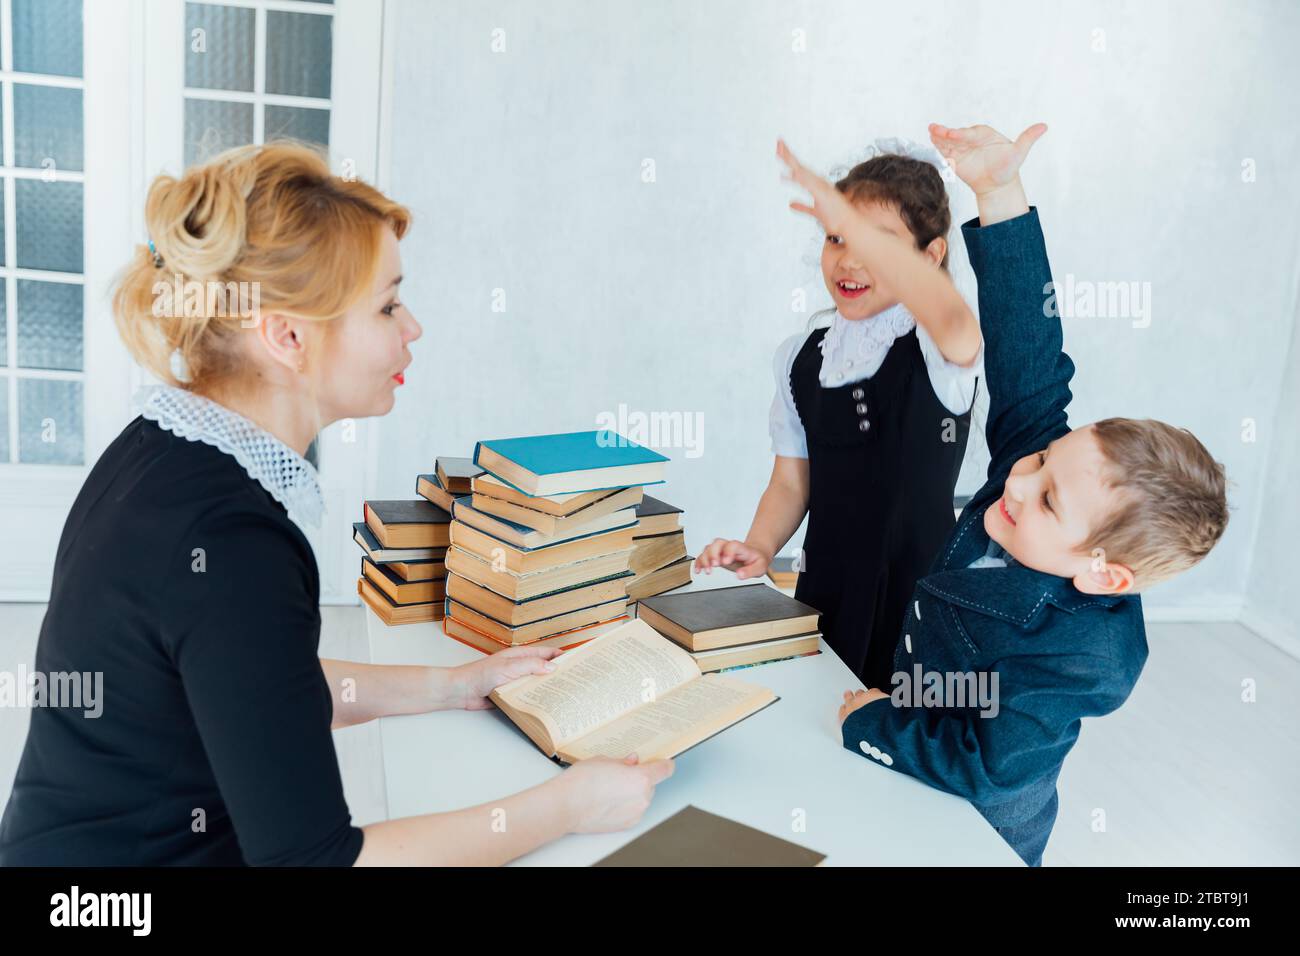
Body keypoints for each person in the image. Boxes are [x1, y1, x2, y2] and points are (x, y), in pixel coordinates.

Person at [0, 141, 672, 867]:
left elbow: (253, 682)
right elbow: (316, 864)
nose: (411, 328)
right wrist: (570, 806)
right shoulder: (229, 542)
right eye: (388, 305)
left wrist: (453, 686)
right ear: (287, 336)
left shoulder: (159, 451)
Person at [781, 122, 1228, 866]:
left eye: (1049, 496)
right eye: (1045, 458)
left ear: (1102, 573)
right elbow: (1030, 359)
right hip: (911, 740)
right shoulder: (1031, 492)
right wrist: (999, 193)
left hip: (976, 827)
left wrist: (879, 725)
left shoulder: (1078, 656)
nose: (1019, 477)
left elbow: (987, 765)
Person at [695, 139, 982, 688]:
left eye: (879, 245)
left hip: (917, 597)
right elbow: (790, 482)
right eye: (836, 237)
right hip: (824, 585)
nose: (849, 260)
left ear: (930, 256)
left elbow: (951, 314)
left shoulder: (938, 346)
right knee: (823, 716)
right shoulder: (801, 356)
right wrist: (759, 546)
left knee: (893, 737)